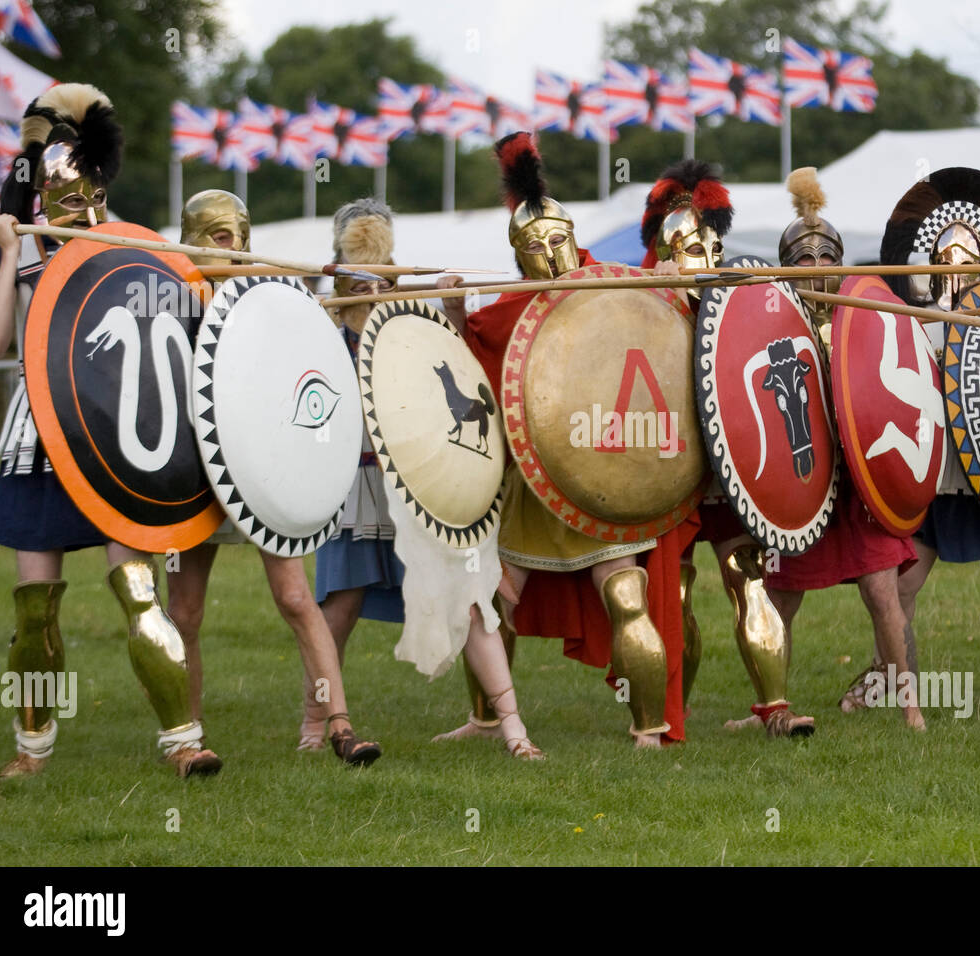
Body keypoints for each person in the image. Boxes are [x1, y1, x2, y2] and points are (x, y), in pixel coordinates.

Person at [0, 84, 220, 779]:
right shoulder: (17, 248)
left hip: (119, 432)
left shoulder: (125, 250)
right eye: (64, 197)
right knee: (33, 609)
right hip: (40, 435)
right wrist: (4, 258)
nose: (80, 209)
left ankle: (183, 742)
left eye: (90, 194)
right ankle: (31, 753)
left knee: (137, 588)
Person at [436, 132, 696, 748]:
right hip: (533, 485)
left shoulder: (617, 293)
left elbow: (661, 333)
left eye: (559, 240)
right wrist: (451, 313)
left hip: (603, 475)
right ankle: (488, 717)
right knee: (492, 602)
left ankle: (649, 729)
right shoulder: (507, 312)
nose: (552, 255)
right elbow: (473, 367)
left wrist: (668, 283)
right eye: (535, 247)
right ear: (518, 256)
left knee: (628, 596)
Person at [315, 197, 542, 758]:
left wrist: (454, 312)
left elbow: (454, 375)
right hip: (358, 487)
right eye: (358, 282)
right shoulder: (321, 329)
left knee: (468, 599)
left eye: (378, 278)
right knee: (338, 607)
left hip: (423, 482)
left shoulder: (410, 319)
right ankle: (313, 726)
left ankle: (514, 729)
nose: (369, 293)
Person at [167, 189, 382, 765]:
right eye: (216, 234)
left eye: (237, 233)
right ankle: (187, 736)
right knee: (184, 612)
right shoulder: (167, 298)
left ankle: (340, 724)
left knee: (293, 597)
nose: (229, 244)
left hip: (257, 460)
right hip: (194, 465)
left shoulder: (264, 296)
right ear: (192, 235)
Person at [646, 159, 815, 737]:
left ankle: (777, 708)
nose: (707, 257)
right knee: (677, 589)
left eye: (712, 244)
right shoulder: (644, 308)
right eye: (691, 246)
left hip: (733, 467)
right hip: (670, 468)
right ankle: (672, 712)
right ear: (665, 254)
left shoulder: (744, 307)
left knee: (747, 575)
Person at [880, 166, 980, 720]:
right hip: (933, 469)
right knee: (900, 588)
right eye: (945, 260)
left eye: (967, 260)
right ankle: (896, 683)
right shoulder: (912, 320)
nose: (956, 269)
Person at [763, 167, 923, 730]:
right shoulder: (770, 325)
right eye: (802, 260)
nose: (815, 269)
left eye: (825, 257)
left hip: (861, 480)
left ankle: (909, 705)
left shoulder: (866, 319)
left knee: (883, 595)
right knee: (778, 601)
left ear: (840, 262)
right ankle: (771, 708)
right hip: (802, 480)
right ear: (787, 268)